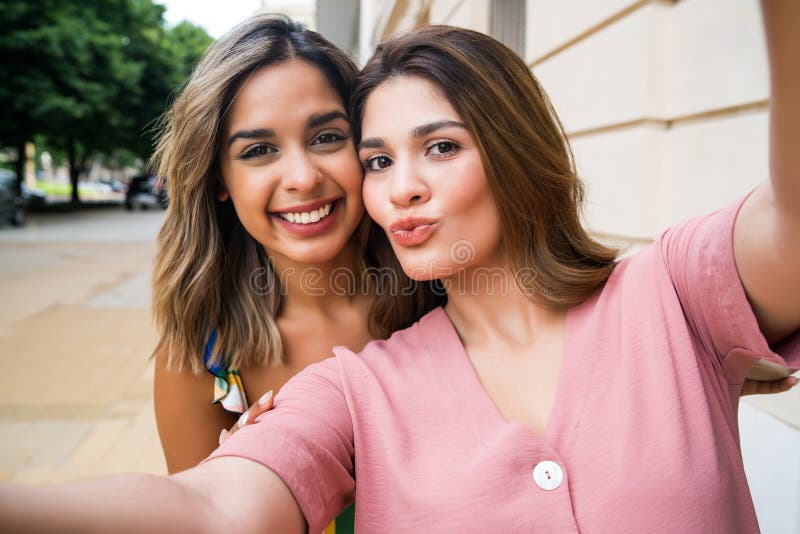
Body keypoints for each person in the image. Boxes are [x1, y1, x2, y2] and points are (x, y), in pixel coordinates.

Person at [1, 2, 797, 532]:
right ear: (218, 178)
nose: (307, 178)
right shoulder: (331, 382)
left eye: (439, 146)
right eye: (382, 157)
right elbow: (205, 509)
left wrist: (704, 352)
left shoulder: (658, 293)